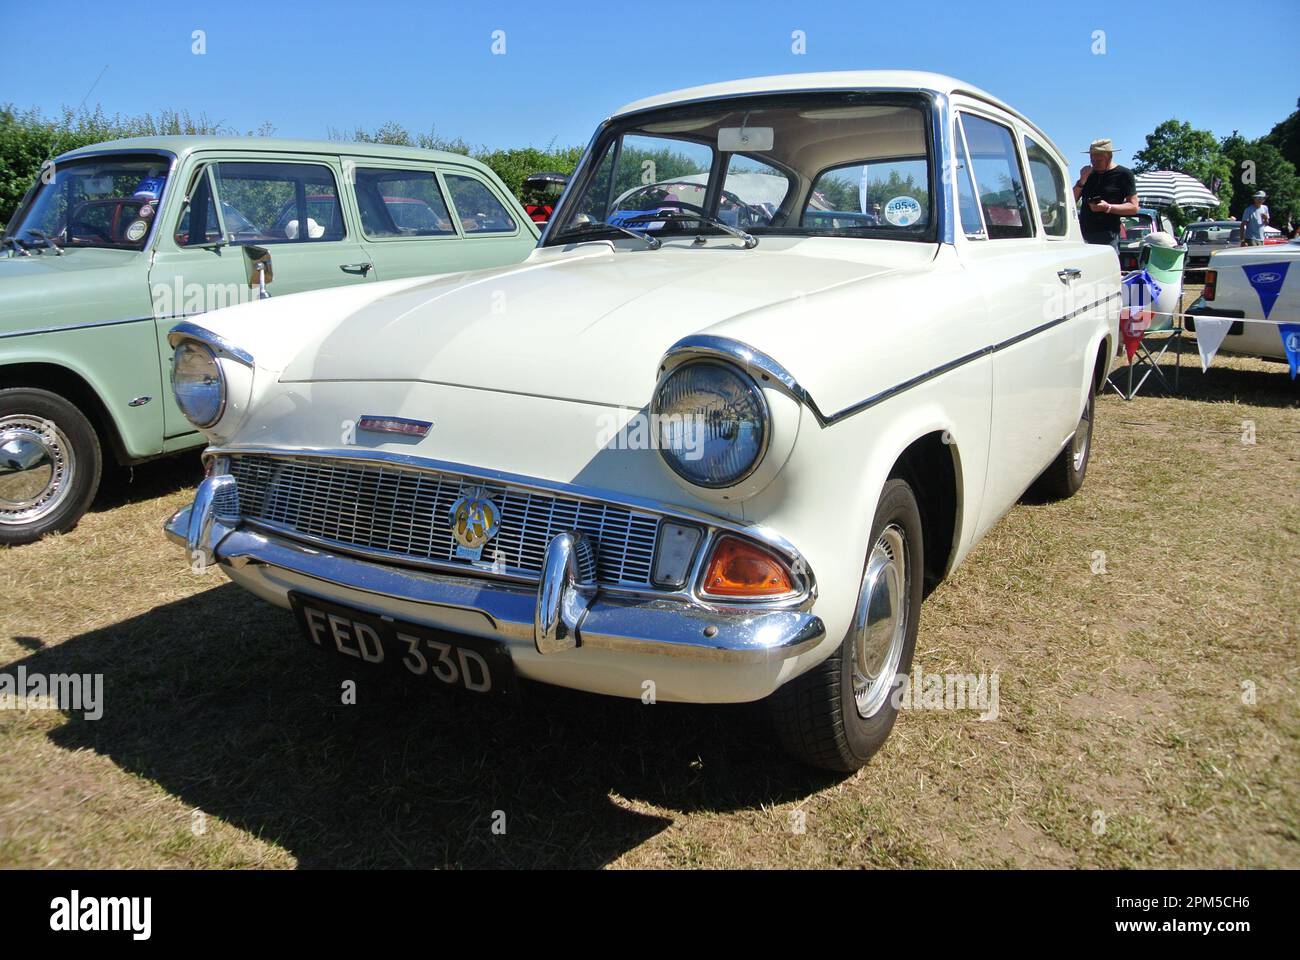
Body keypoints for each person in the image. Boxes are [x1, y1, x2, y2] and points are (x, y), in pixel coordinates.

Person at [1073, 138, 1140, 249]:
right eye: (1092, 160)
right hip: (1082, 235)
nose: (1095, 164)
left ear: (1109, 157)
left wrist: (1108, 207)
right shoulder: (1088, 173)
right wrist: (1081, 181)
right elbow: (1070, 201)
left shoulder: (1124, 174)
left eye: (1099, 161)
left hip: (1108, 236)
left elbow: (1133, 207)